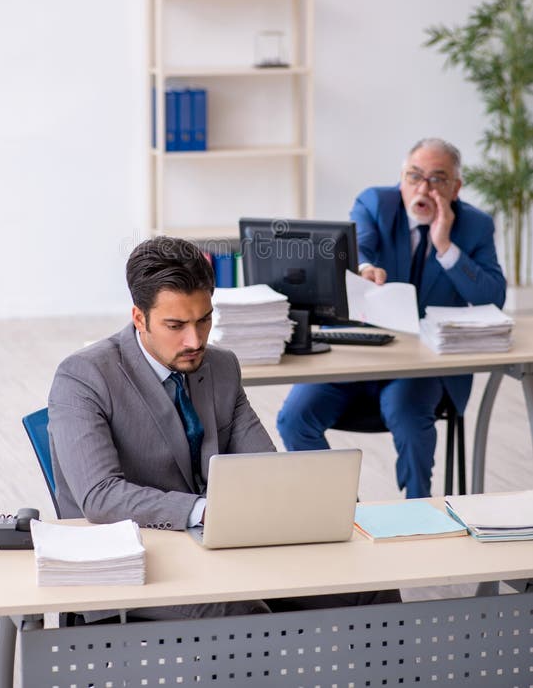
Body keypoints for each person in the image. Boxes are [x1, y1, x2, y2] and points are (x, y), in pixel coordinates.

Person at [49, 235, 398, 620]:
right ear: (139, 318)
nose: (194, 340)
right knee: (242, 615)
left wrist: (311, 499)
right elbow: (100, 496)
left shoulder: (222, 367)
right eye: (175, 325)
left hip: (221, 549)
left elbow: (264, 466)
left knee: (373, 587)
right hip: (138, 565)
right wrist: (204, 510)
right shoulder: (83, 376)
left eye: (204, 320)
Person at [277, 138, 507, 499]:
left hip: (421, 367)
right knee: (295, 417)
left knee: (405, 409)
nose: (423, 188)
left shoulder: (475, 226)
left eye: (437, 179)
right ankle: (341, 508)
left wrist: (446, 247)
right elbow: (359, 244)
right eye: (414, 176)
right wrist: (364, 267)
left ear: (456, 188)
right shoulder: (375, 202)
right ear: (401, 178)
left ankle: (418, 512)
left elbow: (494, 297)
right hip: (357, 355)